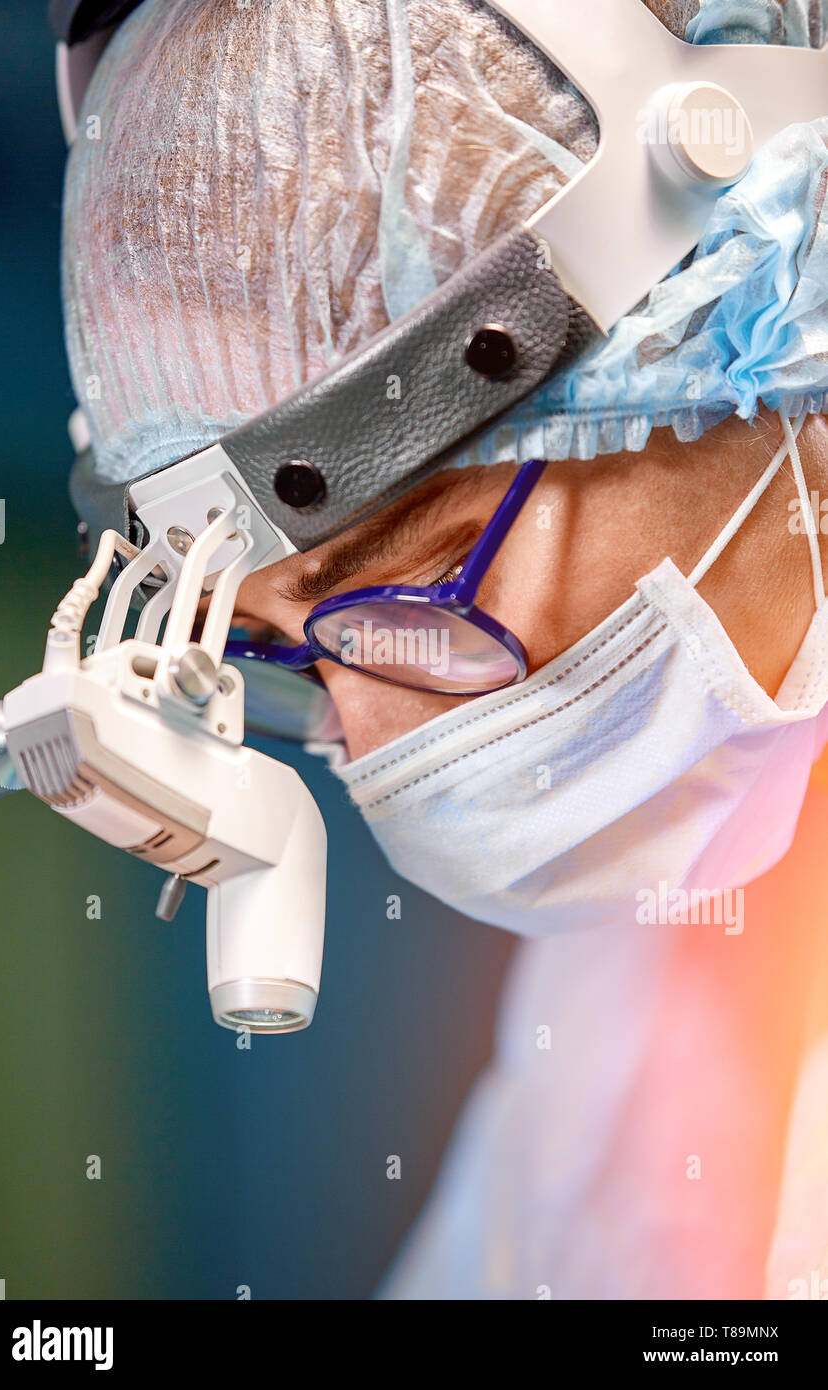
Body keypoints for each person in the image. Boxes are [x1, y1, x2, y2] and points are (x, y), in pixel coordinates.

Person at [60, 0, 828, 1296]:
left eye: (404, 591)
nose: (368, 750)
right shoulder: (630, 1023)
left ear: (755, 285)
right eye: (276, 645)